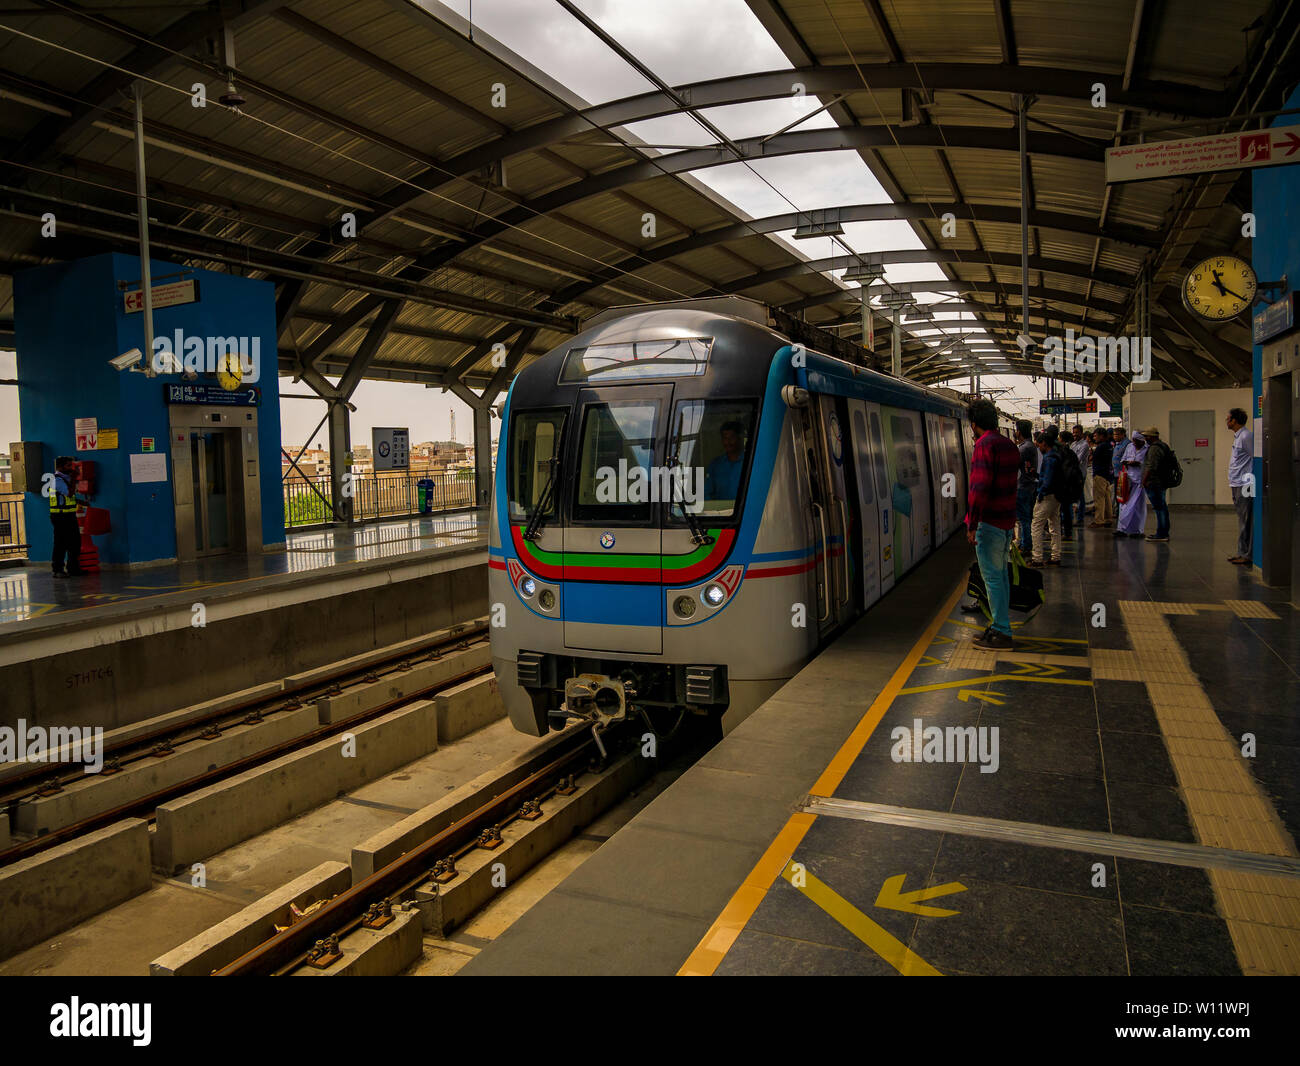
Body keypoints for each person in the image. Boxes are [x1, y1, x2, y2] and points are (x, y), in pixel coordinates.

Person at [965, 399, 1020, 651]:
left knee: (993, 579)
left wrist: (972, 524)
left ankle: (1001, 631)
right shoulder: (1009, 445)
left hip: (990, 523)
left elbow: (979, 488)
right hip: (1007, 521)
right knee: (1000, 576)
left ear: (974, 424)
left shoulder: (984, 445)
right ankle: (1001, 625)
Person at [48, 455, 86, 578]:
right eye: (68, 465)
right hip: (60, 517)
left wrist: (81, 502)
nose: (71, 468)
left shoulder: (68, 478)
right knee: (61, 543)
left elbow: (69, 498)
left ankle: (73, 568)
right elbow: (68, 494)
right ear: (60, 467)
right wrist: (74, 478)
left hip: (70, 515)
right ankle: (57, 569)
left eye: (72, 465)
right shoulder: (57, 479)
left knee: (75, 543)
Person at [1029, 433, 1063, 567]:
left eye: (1039, 443)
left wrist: (1040, 493)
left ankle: (1037, 558)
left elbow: (1047, 480)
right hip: (1056, 496)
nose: (1037, 445)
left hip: (1047, 496)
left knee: (1036, 525)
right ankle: (1056, 556)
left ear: (1045, 443)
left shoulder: (1049, 459)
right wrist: (1036, 474)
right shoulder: (1056, 455)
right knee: (1054, 526)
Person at [1226, 408, 1254, 565]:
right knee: (1242, 519)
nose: (1227, 421)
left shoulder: (1245, 436)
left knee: (1246, 520)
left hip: (1246, 484)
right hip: (1237, 483)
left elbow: (1255, 458)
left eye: (1228, 418)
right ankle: (1242, 552)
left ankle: (1247, 554)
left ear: (1234, 420)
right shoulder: (1238, 437)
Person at [1140, 425, 1171, 543]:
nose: (1145, 438)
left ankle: (1162, 534)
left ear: (1151, 437)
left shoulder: (1154, 448)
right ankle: (1163, 532)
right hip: (1162, 481)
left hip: (1154, 482)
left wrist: (1144, 480)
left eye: (1146, 436)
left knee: (1159, 508)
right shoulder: (1163, 446)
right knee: (1162, 507)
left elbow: (1151, 466)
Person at [1115, 431, 1148, 537]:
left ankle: (1137, 530)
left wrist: (1138, 464)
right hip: (1128, 480)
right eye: (1133, 440)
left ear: (1142, 441)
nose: (1134, 443)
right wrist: (1128, 462)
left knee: (1138, 507)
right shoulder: (1129, 446)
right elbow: (1123, 460)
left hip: (1140, 482)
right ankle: (1122, 529)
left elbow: (1148, 465)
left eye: (1136, 441)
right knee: (1124, 505)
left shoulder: (1147, 449)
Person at [704, 420, 746, 504]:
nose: (728, 442)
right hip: (721, 515)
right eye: (725, 438)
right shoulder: (715, 465)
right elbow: (706, 494)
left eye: (731, 438)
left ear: (739, 438)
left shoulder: (750, 463)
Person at [1013, 420, 1037, 561]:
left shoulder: (1024, 448)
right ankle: (1024, 543)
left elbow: (1012, 462)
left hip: (1023, 487)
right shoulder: (1030, 446)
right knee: (1025, 518)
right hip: (1028, 486)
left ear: (1019, 432)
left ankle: (1026, 545)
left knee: (1024, 519)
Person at [1089, 428, 1114, 527]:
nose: (1094, 438)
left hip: (1099, 474)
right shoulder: (1109, 446)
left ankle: (1099, 520)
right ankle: (1108, 518)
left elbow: (1092, 459)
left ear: (1102, 436)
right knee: (1106, 498)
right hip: (1107, 475)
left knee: (1099, 498)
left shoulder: (1100, 447)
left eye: (1096, 436)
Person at [1070, 425, 1091, 527]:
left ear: (1081, 433)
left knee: (1080, 495)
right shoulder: (1073, 444)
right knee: (1077, 495)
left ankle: (1080, 518)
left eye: (1077, 432)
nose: (1074, 434)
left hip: (1080, 474)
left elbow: (1077, 460)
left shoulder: (1084, 445)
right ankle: (1077, 516)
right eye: (1073, 432)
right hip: (1073, 473)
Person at [1110, 426, 1127, 517]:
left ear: (1123, 435)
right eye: (1114, 435)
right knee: (1117, 494)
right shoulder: (1117, 444)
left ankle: (1121, 513)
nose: (1114, 437)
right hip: (1116, 473)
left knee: (1121, 494)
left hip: (1123, 474)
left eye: (1117, 435)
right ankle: (1118, 512)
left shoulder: (1127, 444)